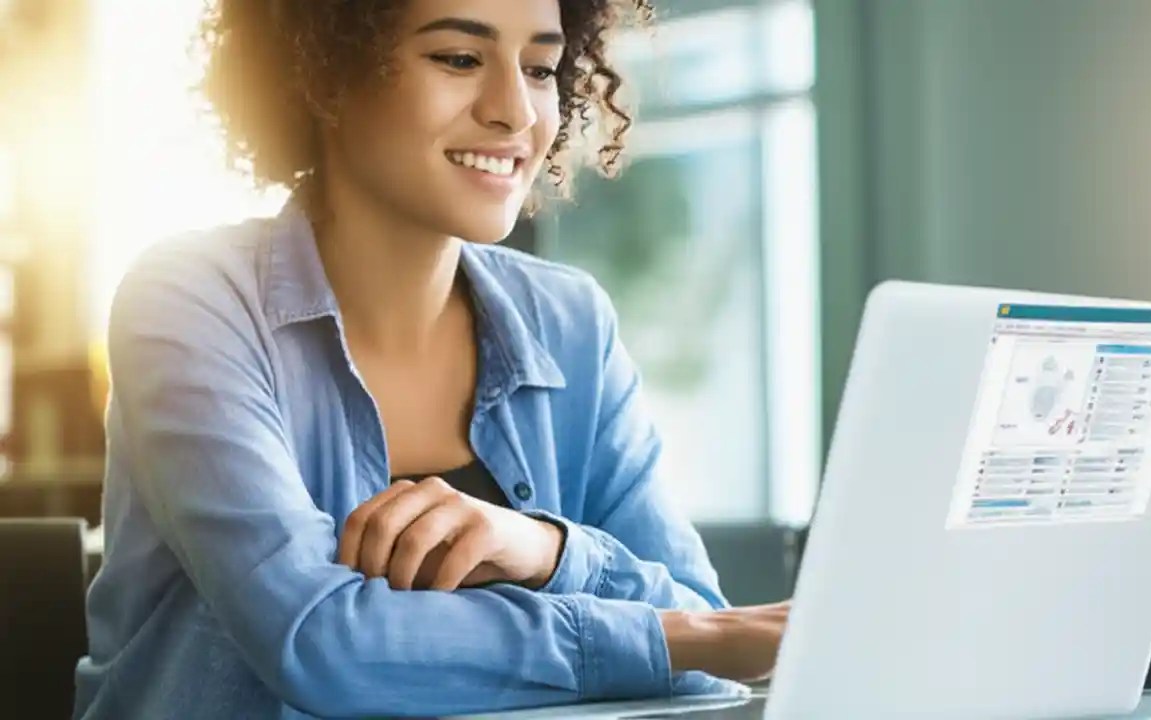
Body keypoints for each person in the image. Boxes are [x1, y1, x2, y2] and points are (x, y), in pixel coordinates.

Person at [72, 1, 790, 718]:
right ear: (327, 72)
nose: (515, 111)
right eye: (459, 59)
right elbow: (317, 641)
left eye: (540, 67)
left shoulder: (572, 323)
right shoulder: (191, 301)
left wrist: (543, 548)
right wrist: (672, 638)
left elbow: (704, 636)